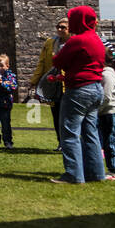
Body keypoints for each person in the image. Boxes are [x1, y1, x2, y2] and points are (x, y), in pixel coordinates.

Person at [49, 6, 106, 184]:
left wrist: (55, 57)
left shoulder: (77, 40)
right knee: (91, 132)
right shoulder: (96, 39)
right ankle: (96, 174)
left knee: (70, 133)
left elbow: (58, 61)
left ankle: (73, 174)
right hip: (96, 88)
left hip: (79, 89)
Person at [29, 17, 70, 145]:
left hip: (69, 84)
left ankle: (70, 143)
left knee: (68, 116)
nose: (59, 29)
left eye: (63, 27)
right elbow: (41, 63)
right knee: (56, 114)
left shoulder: (74, 43)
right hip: (53, 84)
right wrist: (34, 80)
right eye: (58, 26)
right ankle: (61, 142)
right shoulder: (49, 43)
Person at [98, 45, 115, 179]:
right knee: (108, 142)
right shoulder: (107, 73)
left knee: (112, 142)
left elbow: (106, 97)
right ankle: (112, 168)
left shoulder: (106, 74)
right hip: (107, 112)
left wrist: (96, 110)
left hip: (111, 113)